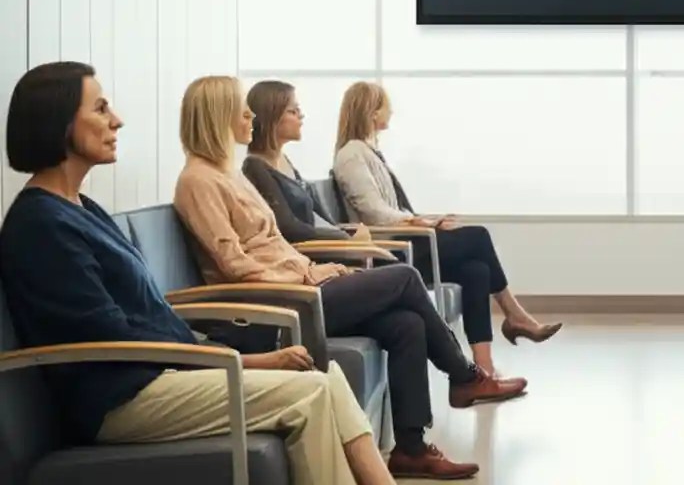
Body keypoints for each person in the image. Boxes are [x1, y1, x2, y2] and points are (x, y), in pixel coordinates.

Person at [0, 61, 398, 485]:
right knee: (311, 393)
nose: (116, 119)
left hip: (151, 378)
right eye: (100, 109)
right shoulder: (41, 224)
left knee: (325, 378)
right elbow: (110, 335)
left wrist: (236, 360)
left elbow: (148, 317)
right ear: (59, 123)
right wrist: (241, 362)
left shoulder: (83, 209)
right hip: (120, 400)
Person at [173, 76, 525, 479]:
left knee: (406, 324)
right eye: (242, 109)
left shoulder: (228, 174)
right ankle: (464, 376)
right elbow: (234, 264)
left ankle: (410, 448)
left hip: (298, 287)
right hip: (276, 306)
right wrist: (305, 274)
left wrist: (312, 268)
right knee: (405, 277)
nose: (251, 116)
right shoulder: (197, 181)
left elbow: (273, 244)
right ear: (217, 116)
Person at [332, 81, 560, 376]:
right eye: (386, 105)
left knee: (477, 270)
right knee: (478, 236)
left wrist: (428, 219)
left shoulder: (369, 152)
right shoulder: (351, 155)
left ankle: (484, 369)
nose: (392, 111)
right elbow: (374, 213)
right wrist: (418, 223)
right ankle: (515, 315)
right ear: (371, 111)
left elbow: (393, 211)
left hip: (405, 239)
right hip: (393, 251)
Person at [241, 80, 356, 243]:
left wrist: (347, 235)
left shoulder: (284, 161)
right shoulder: (255, 168)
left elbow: (320, 216)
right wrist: (345, 238)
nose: (300, 115)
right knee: (402, 269)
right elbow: (289, 229)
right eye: (293, 111)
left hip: (323, 249)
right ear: (271, 118)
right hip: (306, 257)